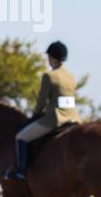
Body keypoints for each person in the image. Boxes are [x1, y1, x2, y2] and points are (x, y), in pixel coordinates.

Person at [5, 41, 79, 181]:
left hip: (55, 119)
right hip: (74, 118)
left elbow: (41, 102)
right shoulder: (71, 77)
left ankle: (21, 170)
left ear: (52, 58)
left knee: (21, 137)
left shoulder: (49, 76)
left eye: (49, 57)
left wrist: (35, 115)